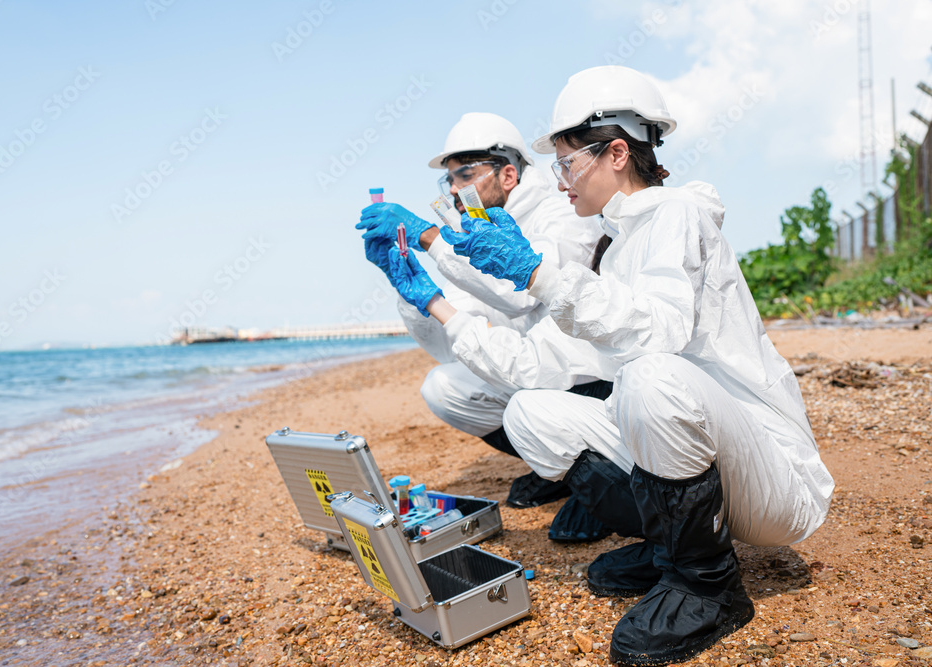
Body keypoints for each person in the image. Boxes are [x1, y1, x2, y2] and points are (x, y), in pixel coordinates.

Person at [384, 66, 834, 666]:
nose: (561, 180)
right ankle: (671, 545)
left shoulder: (677, 215)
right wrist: (433, 303)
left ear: (616, 153)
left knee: (652, 377)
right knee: (531, 413)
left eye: (567, 163)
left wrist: (538, 274)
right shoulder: (615, 248)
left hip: (775, 482)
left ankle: (707, 585)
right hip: (714, 464)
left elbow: (659, 329)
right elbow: (537, 363)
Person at [357, 112, 613, 536]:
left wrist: (429, 238)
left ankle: (597, 476)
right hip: (535, 368)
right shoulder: (470, 227)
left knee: (527, 408)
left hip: (590, 376)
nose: (454, 190)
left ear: (508, 174)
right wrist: (410, 289)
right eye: (449, 181)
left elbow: (521, 290)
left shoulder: (563, 212)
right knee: (444, 386)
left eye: (465, 175)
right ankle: (563, 472)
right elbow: (445, 344)